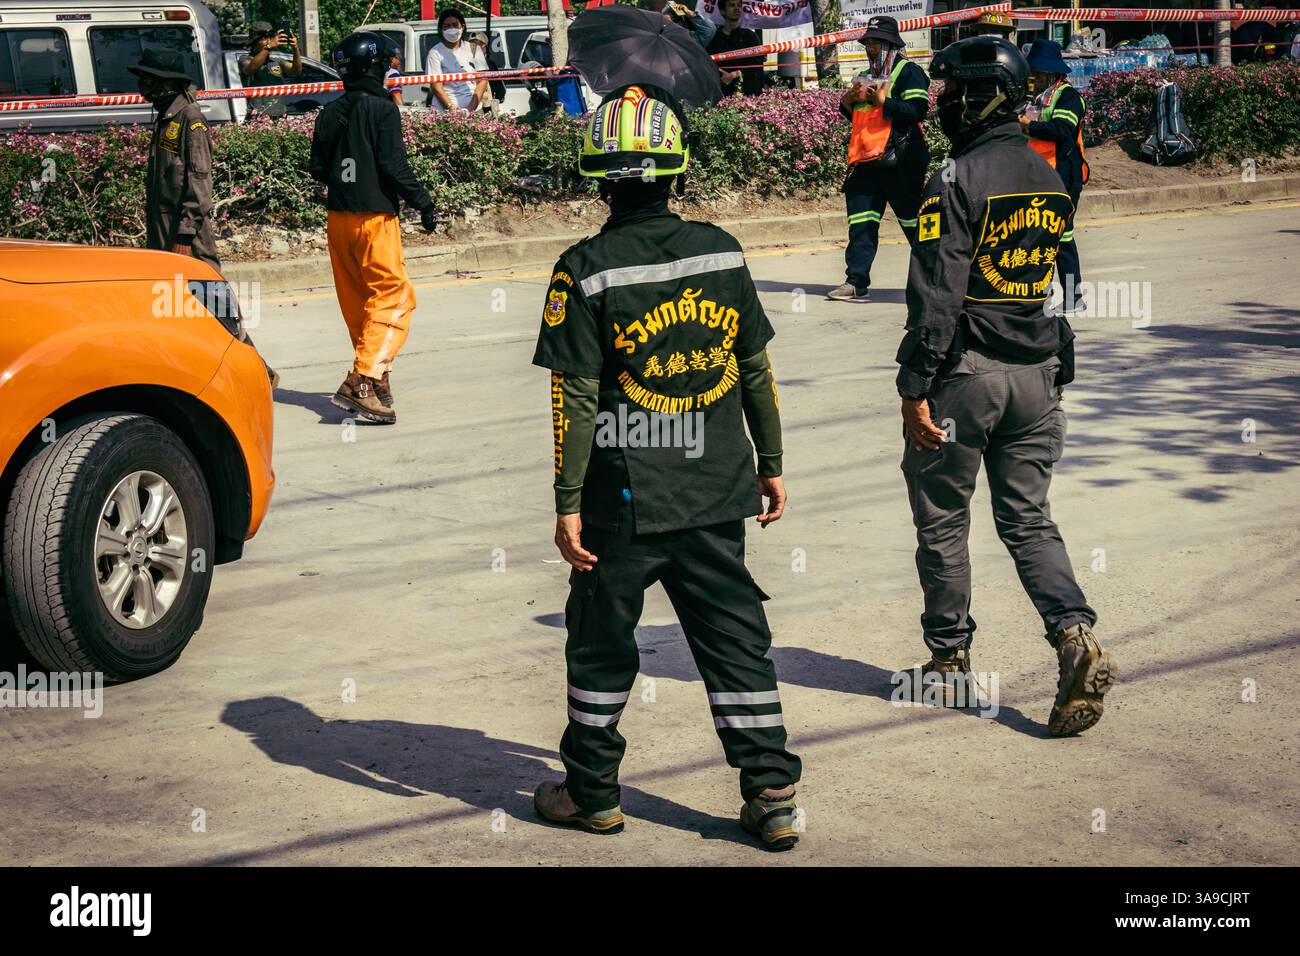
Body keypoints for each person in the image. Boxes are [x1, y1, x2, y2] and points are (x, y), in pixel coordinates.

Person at [530, 84, 803, 851]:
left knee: (599, 642)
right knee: (734, 641)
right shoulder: (722, 250)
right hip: (717, 489)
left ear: (597, 178)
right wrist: (771, 461)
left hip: (623, 499)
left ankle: (593, 795)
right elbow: (755, 367)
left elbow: (575, 397)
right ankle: (772, 794)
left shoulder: (583, 270)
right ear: (677, 170)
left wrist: (567, 501)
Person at [893, 35, 1116, 736]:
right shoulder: (1046, 176)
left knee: (943, 518)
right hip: (1038, 374)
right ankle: (1074, 635)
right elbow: (1046, 278)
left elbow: (939, 294)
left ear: (978, 96)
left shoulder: (954, 178)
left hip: (969, 377)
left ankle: (948, 658)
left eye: (950, 92)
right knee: (1028, 518)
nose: (942, 105)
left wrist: (913, 386)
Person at [130, 48, 280, 388]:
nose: (143, 86)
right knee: (173, 308)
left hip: (188, 238)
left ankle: (258, 371)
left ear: (166, 83)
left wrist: (184, 235)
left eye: (148, 80)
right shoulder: (166, 117)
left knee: (215, 305)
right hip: (163, 233)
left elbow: (199, 182)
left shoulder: (190, 119)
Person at [310, 32, 440, 425]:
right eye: (386, 64)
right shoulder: (382, 109)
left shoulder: (329, 112)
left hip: (338, 220)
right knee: (395, 298)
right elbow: (393, 166)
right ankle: (361, 380)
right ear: (374, 67)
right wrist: (424, 202)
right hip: (374, 220)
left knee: (361, 305)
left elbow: (318, 169)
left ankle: (377, 377)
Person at [827, 15, 931, 303]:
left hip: (901, 161)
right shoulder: (864, 75)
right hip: (865, 161)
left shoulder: (908, 72)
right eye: (869, 42)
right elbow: (861, 118)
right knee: (861, 222)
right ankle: (855, 282)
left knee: (913, 223)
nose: (871, 48)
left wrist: (884, 102)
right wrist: (847, 103)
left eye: (876, 42)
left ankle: (934, 279)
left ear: (891, 45)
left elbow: (918, 110)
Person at [1022, 39, 1090, 313]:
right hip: (1036, 177)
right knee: (1036, 236)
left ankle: (1074, 298)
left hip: (1063, 178)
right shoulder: (1033, 98)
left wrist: (1028, 126)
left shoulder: (1069, 97)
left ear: (1052, 74)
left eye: (1039, 74)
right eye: (1033, 73)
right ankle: (1042, 292)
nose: (1034, 79)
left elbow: (1062, 130)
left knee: (1061, 238)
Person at [424, 9, 488, 112]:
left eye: (455, 25)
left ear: (462, 27)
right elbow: (436, 87)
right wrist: (452, 109)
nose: (451, 29)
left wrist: (470, 108)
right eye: (447, 26)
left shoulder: (474, 49)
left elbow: (483, 81)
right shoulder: (435, 53)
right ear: (441, 28)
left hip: (474, 111)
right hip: (445, 112)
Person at [238, 21, 302, 119]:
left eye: (270, 38)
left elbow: (296, 71)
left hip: (280, 116)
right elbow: (251, 69)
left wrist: (295, 49)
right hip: (257, 117)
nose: (268, 41)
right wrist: (268, 47)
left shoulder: (277, 62)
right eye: (264, 39)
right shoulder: (245, 59)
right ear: (254, 42)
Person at [708, 0, 765, 97]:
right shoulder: (714, 38)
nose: (737, 8)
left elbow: (757, 63)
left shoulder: (750, 36)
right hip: (723, 94)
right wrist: (721, 75)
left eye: (739, 5)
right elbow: (708, 63)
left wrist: (735, 74)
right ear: (722, 11)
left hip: (748, 93)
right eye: (731, 5)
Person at [382, 37, 404, 109]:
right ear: (390, 59)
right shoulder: (393, 74)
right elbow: (396, 97)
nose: (399, 61)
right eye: (396, 58)